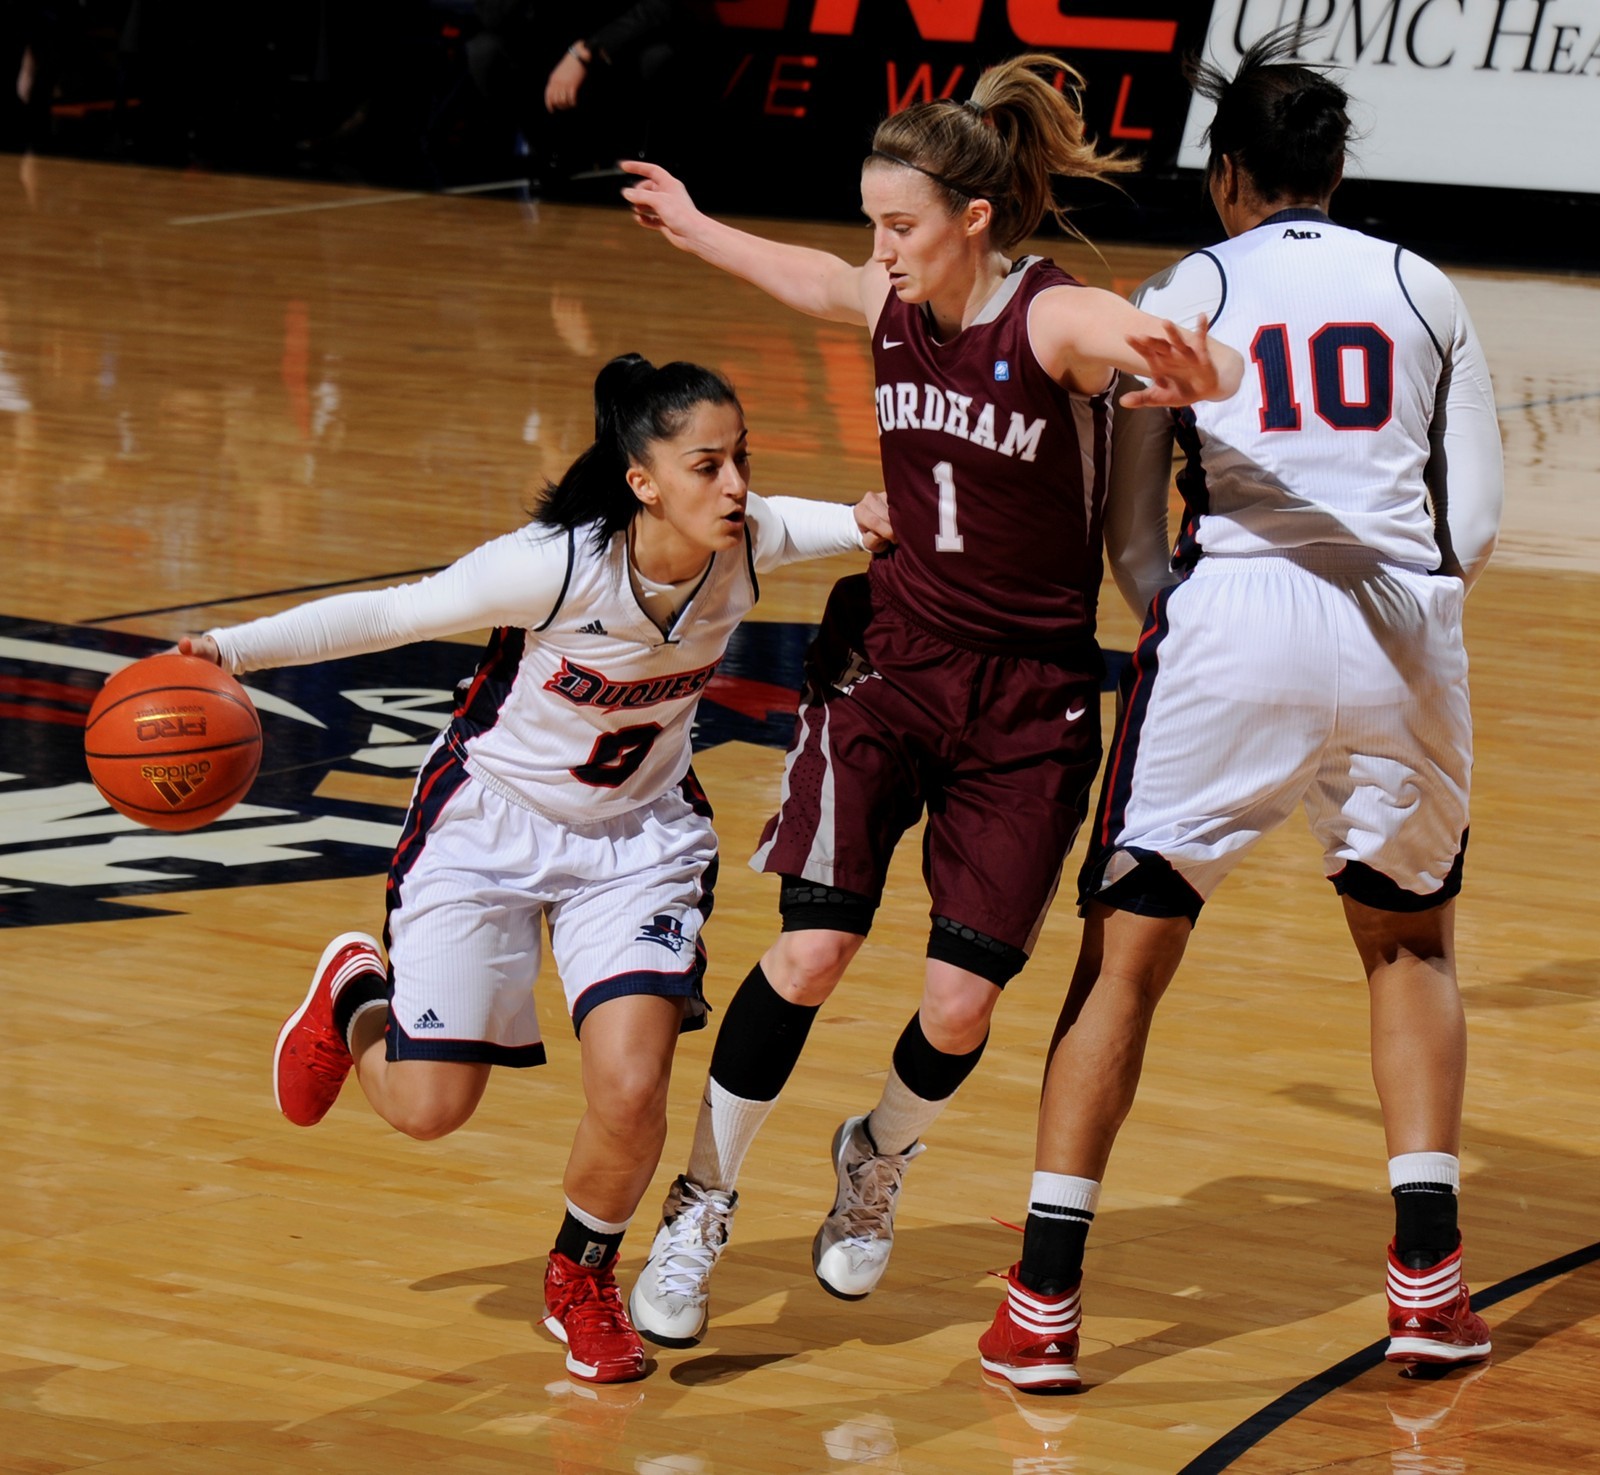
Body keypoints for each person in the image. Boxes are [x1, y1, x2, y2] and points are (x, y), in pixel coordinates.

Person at [617, 53, 1244, 1348]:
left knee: (961, 1002)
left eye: (898, 225)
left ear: (971, 222)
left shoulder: (1051, 319)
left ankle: (876, 1149)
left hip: (1033, 700)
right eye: (870, 223)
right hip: (891, 658)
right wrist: (691, 225)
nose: (877, 250)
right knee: (811, 949)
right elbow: (807, 277)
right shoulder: (893, 294)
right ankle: (703, 1196)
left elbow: (1150, 342)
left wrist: (1206, 368)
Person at [178, 353, 894, 1385]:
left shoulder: (751, 538)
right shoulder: (550, 564)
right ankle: (354, 996)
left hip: (636, 841)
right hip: (489, 828)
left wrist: (881, 511)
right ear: (642, 480)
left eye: (742, 458)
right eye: (708, 464)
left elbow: (868, 520)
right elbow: (387, 615)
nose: (736, 484)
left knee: (634, 1076)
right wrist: (221, 651)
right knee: (430, 1110)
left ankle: (581, 1274)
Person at [977, 32, 1504, 1391]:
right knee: (1410, 951)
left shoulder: (1180, 287)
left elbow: (1132, 526)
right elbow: (1480, 520)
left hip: (1237, 623)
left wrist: (1180, 605)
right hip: (1399, 627)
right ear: (1335, 168)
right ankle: (1429, 1288)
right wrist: (1409, 601)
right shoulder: (1426, 286)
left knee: (1127, 957)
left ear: (1228, 179)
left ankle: (1042, 1302)